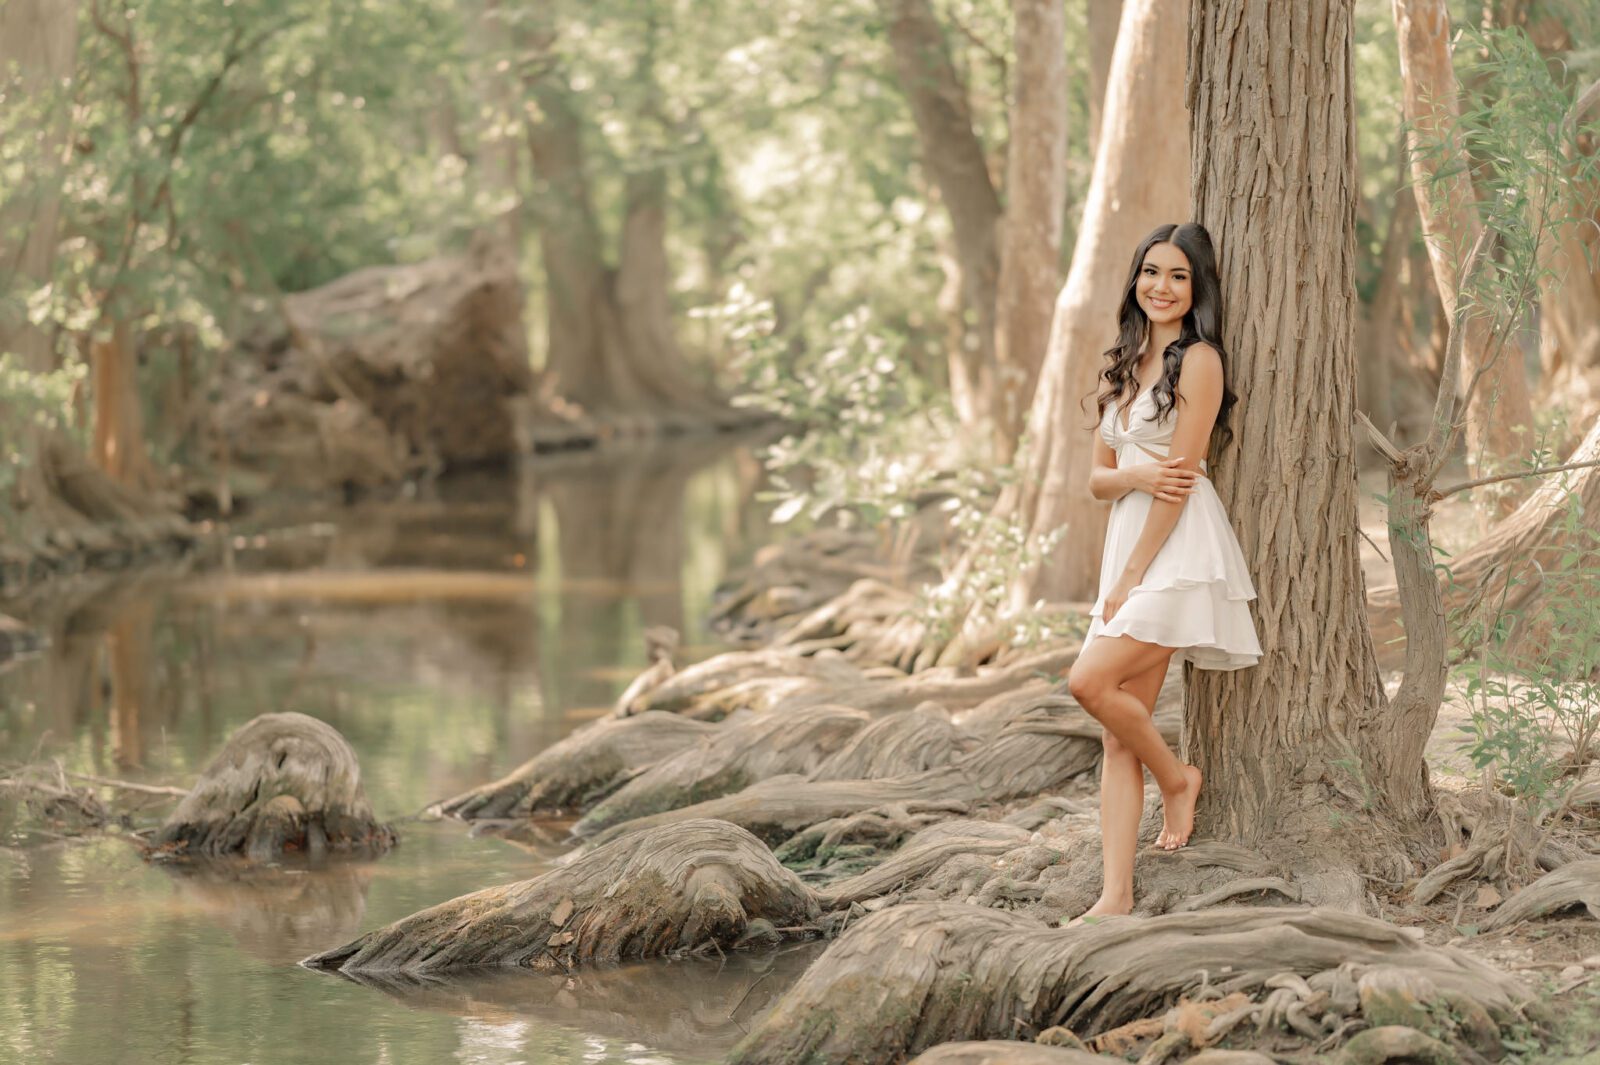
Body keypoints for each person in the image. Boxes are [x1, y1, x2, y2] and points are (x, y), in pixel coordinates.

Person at [1063, 222, 1262, 924]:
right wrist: (1133, 474)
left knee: (1087, 681)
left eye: (1179, 275)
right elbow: (1095, 480)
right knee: (1120, 732)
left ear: (1196, 287)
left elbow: (1179, 482)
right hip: (1128, 541)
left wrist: (1132, 574)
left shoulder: (1199, 360)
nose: (1162, 286)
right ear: (1135, 279)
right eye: (1152, 271)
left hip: (1173, 547)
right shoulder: (1122, 359)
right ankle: (1115, 897)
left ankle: (1179, 779)